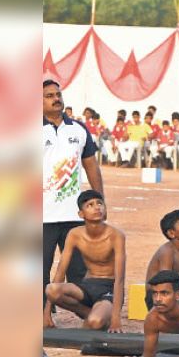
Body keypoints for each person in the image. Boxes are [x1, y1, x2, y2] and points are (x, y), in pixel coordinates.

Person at [43, 80, 104, 306]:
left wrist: (99, 201)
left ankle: (87, 315)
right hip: (41, 216)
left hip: (73, 215)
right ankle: (41, 316)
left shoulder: (79, 129)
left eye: (58, 94)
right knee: (39, 270)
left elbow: (91, 166)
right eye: (49, 96)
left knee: (79, 271)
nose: (56, 99)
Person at [44, 190, 125, 333]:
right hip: (87, 286)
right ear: (81, 214)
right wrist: (46, 313)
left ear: (105, 209)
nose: (97, 208)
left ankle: (99, 317)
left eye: (100, 204)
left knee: (95, 322)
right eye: (90, 205)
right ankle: (91, 314)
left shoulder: (116, 235)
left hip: (108, 289)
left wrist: (116, 318)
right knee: (52, 290)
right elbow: (61, 271)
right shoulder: (74, 234)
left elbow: (120, 279)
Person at [144, 210, 179, 311]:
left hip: (171, 294)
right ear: (171, 233)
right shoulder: (167, 251)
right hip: (156, 297)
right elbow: (164, 284)